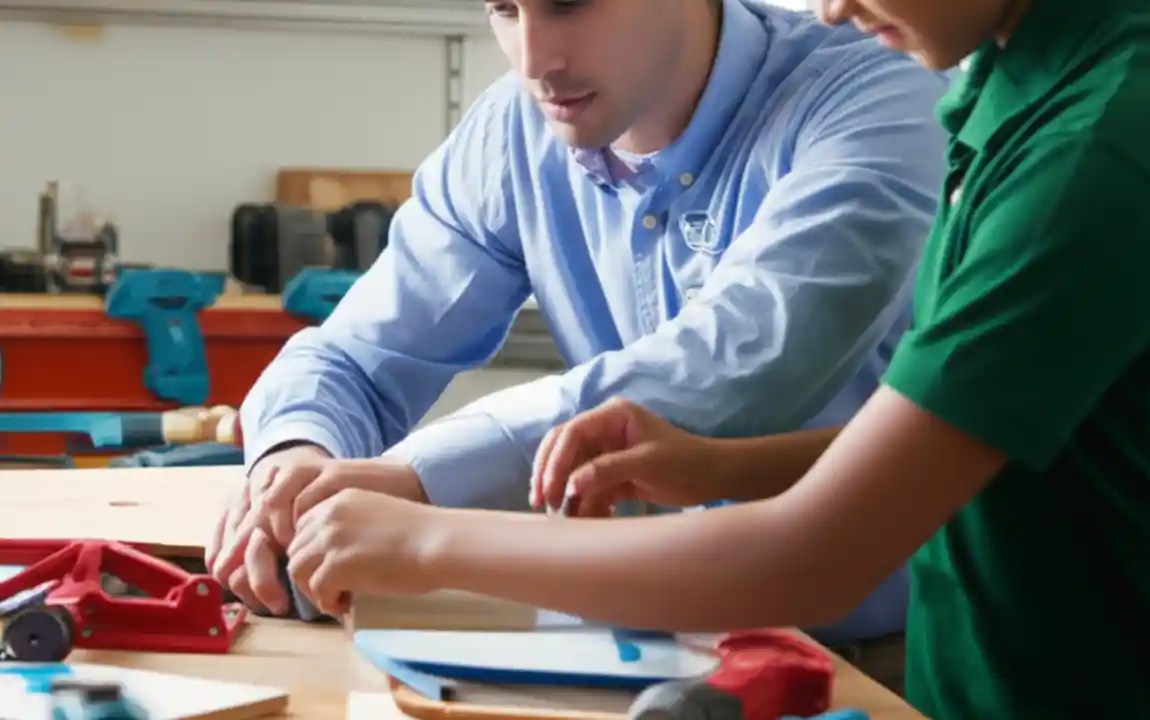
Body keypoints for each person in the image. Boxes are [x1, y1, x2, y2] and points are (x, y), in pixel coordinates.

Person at [273, 0, 1150, 716]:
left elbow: (812, 554)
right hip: (983, 678)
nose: (832, 5)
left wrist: (425, 540)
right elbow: (977, 429)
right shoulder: (1034, 75)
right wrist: (718, 468)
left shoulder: (1094, 141)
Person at [206, 0, 952, 678]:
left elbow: (738, 367)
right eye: (504, 7)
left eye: (569, 5)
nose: (533, 59)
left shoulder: (879, 97)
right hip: (628, 654)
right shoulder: (514, 130)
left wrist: (419, 486)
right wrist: (294, 461)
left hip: (879, 663)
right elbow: (356, 356)